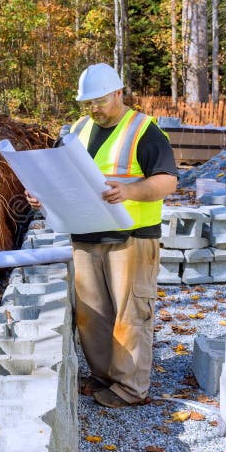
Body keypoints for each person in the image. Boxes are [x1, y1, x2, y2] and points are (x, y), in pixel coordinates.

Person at [25, 63, 177, 408]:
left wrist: (129, 191)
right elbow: (58, 176)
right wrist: (40, 195)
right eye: (88, 103)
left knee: (130, 315)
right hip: (86, 237)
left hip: (131, 239)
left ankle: (130, 389)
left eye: (101, 101)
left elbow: (168, 181)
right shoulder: (76, 130)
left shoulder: (144, 130)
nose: (94, 109)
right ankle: (103, 377)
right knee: (92, 317)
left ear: (119, 93)